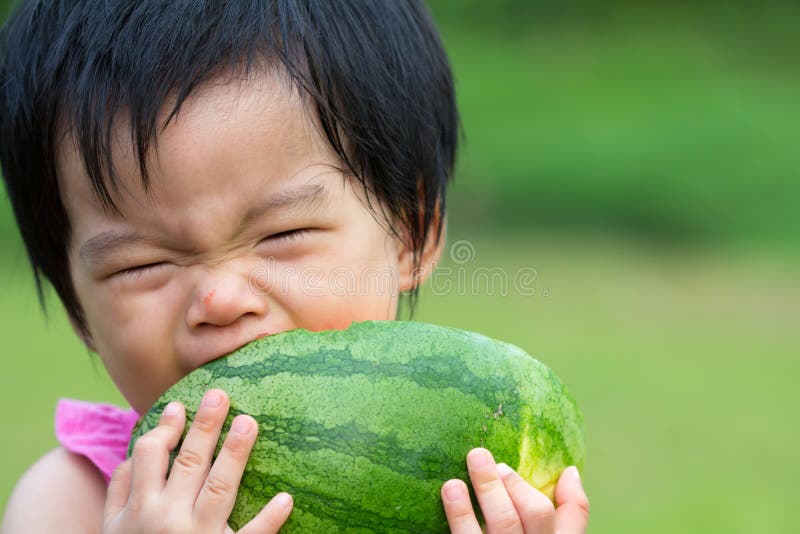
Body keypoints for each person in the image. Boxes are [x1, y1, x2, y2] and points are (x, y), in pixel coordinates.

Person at [0, 1, 589, 532]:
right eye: (141, 264)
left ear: (410, 232)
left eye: (283, 234)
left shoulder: (464, 486)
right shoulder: (70, 504)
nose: (221, 299)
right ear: (79, 310)